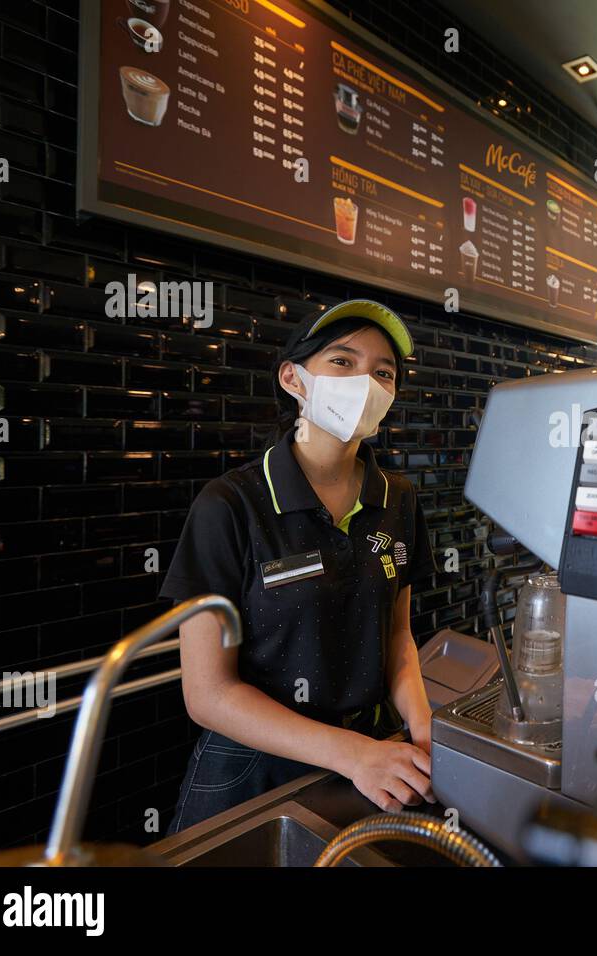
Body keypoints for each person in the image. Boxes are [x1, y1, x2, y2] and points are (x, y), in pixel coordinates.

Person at [159, 300, 437, 834]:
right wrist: (351, 753)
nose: (366, 382)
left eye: (384, 372)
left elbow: (397, 638)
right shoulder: (230, 504)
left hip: (372, 761)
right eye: (342, 362)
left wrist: (422, 727)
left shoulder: (397, 498)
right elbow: (207, 693)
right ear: (293, 378)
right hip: (254, 773)